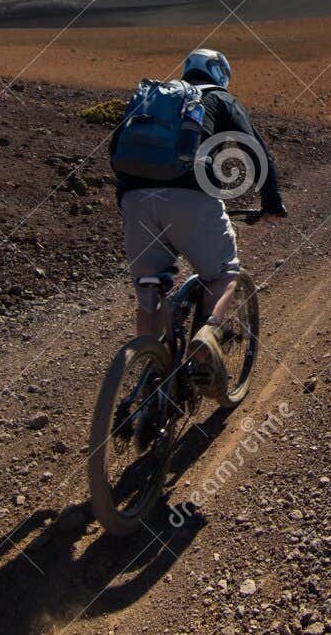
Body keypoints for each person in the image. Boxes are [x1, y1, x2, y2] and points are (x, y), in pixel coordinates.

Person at [109, 47, 286, 399]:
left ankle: (149, 369)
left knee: (150, 289)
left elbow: (118, 149)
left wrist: (131, 203)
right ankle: (207, 336)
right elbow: (257, 151)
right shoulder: (218, 99)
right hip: (191, 196)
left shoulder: (153, 99)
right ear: (220, 74)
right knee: (223, 274)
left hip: (135, 199)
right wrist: (271, 203)